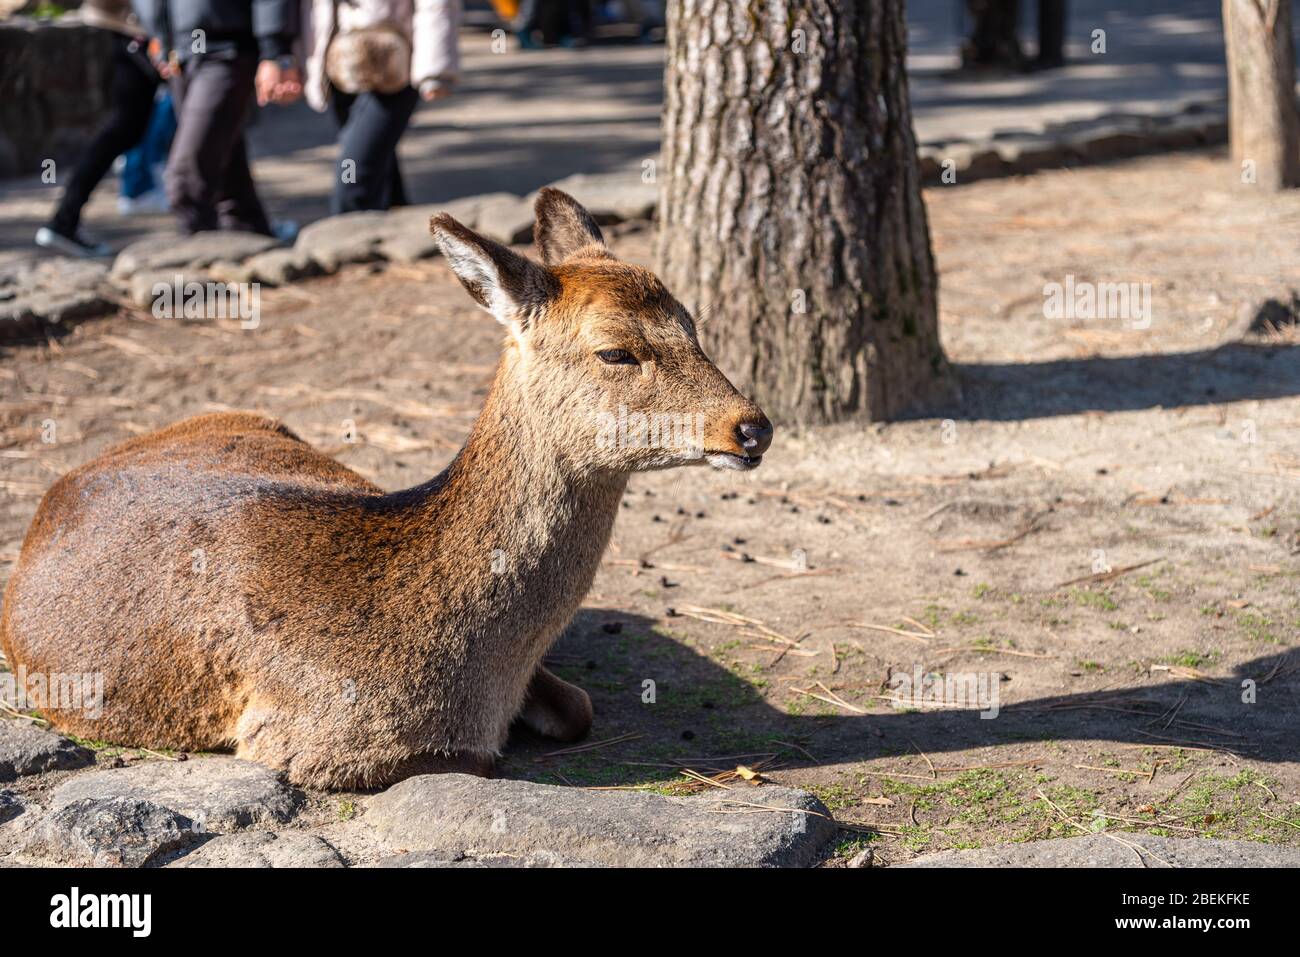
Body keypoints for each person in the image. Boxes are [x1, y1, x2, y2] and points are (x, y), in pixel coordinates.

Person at [132, 0, 303, 236]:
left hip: (226, 48)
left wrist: (276, 51)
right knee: (227, 176)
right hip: (179, 54)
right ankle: (251, 237)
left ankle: (198, 264)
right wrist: (157, 34)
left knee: (185, 181)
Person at [301, 0, 461, 214]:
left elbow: (437, 4)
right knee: (381, 169)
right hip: (338, 64)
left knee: (352, 171)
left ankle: (348, 237)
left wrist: (434, 71)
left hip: (395, 63)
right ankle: (398, 228)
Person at [34, 0, 163, 257]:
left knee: (127, 128)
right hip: (128, 27)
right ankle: (64, 220)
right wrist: (152, 26)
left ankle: (65, 220)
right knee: (120, 128)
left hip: (132, 27)